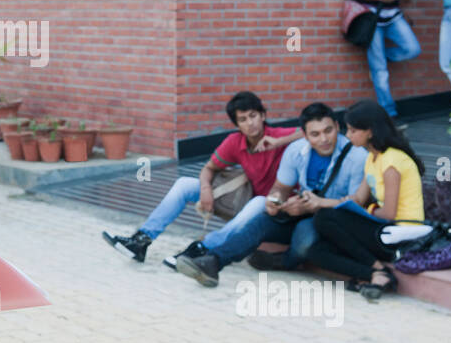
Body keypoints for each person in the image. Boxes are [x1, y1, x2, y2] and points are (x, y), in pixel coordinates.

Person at [174, 103, 367, 286]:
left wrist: (318, 204)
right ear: (306, 136)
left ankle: (284, 261)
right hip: (301, 211)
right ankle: (213, 262)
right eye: (315, 134)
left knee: (304, 239)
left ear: (337, 126)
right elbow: (280, 188)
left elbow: (356, 205)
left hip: (332, 220)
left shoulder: (357, 156)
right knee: (260, 222)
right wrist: (275, 202)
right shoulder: (295, 150)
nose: (324, 139)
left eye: (328, 131)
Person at [101, 91, 301, 267]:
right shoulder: (235, 141)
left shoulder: (277, 134)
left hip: (275, 208)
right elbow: (208, 168)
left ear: (263, 115)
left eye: (253, 116)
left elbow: (312, 131)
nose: (250, 123)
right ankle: (141, 240)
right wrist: (205, 189)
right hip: (244, 202)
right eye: (243, 119)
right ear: (237, 124)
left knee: (259, 202)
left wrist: (278, 142)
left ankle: (202, 247)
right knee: (184, 184)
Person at [308, 99, 426, 302]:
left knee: (324, 218)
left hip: (402, 234)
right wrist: (321, 201)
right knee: (316, 251)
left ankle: (377, 271)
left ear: (370, 131)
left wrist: (365, 210)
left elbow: (388, 213)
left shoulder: (392, 161)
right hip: (384, 229)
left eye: (353, 130)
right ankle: (376, 275)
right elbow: (358, 199)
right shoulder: (372, 159)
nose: (348, 135)